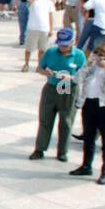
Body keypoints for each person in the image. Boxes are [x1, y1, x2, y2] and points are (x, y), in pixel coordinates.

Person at [30, 27, 85, 163]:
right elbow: (39, 68)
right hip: (52, 86)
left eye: (65, 45)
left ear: (72, 42)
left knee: (66, 120)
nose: (62, 47)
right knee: (45, 118)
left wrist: (70, 77)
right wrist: (45, 72)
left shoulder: (78, 55)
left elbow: (83, 76)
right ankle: (40, 148)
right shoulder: (51, 52)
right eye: (60, 44)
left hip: (66, 87)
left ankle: (62, 151)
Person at [70, 42, 105, 184]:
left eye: (104, 57)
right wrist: (88, 64)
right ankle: (86, 166)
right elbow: (76, 79)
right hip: (89, 104)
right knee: (88, 137)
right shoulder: (91, 68)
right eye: (98, 56)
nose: (100, 60)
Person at [22, 0, 56, 72]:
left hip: (44, 28)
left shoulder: (49, 2)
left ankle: (39, 65)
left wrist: (51, 29)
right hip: (32, 28)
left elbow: (51, 16)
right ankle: (26, 64)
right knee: (29, 48)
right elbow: (29, 2)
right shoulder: (34, 0)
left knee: (42, 49)